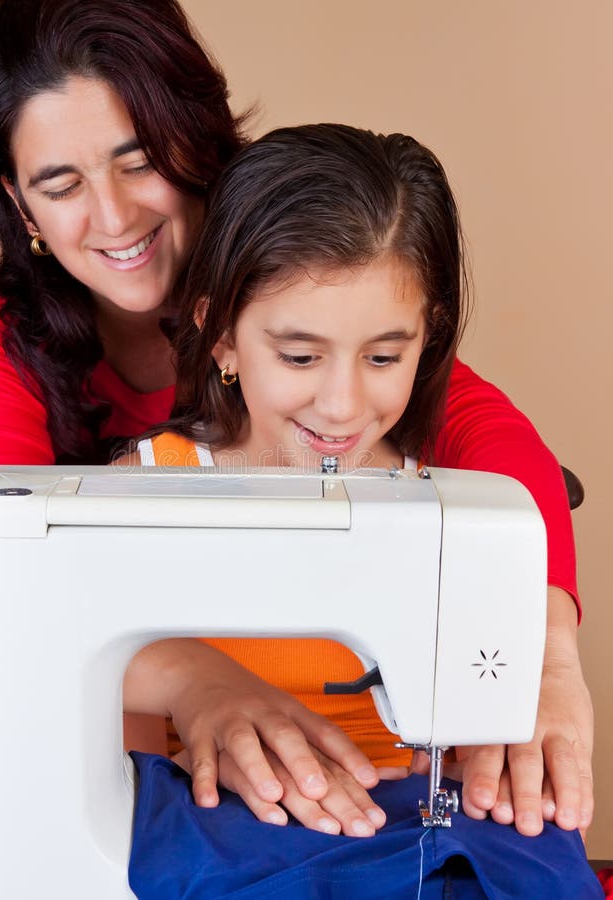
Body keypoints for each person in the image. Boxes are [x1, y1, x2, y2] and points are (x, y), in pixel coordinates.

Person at [0, 0, 592, 839]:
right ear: (19, 203)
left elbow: (493, 449)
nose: (112, 217)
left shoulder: (301, 277)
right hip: (156, 750)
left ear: (193, 141)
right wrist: (196, 685)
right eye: (61, 185)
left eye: (138, 163)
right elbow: (7, 592)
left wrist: (547, 656)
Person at [122, 123, 601, 898]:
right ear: (221, 338)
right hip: (238, 824)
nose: (343, 405)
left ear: (428, 337)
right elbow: (117, 749)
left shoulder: (449, 499)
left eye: (384, 358)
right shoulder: (142, 491)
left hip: (413, 820)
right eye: (301, 357)